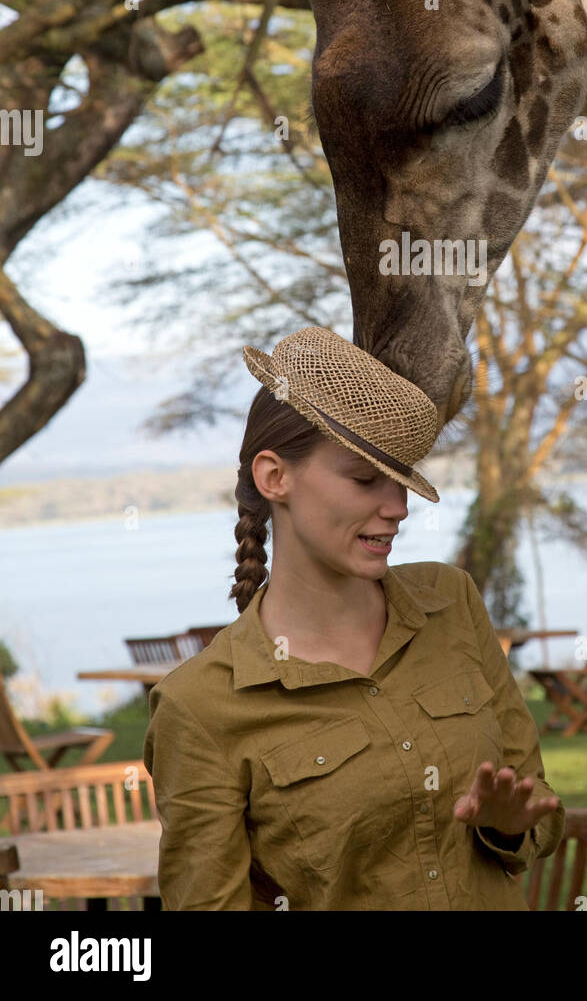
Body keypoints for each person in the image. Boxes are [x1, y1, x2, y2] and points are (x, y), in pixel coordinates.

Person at [143, 325, 565, 910]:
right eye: (365, 479)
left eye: (401, 481)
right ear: (275, 477)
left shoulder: (451, 601)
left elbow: (539, 806)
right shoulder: (199, 708)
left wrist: (508, 825)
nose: (397, 509)